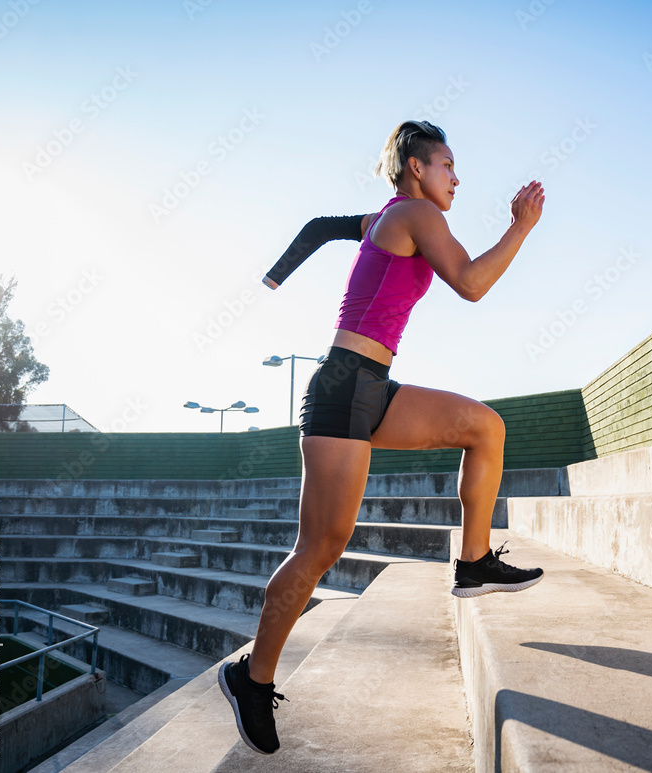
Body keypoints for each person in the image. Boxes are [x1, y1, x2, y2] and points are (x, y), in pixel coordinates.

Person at [218, 120, 545, 755]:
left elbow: (320, 227)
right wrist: (522, 225)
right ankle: (251, 678)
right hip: (344, 386)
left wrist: (276, 275)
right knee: (321, 546)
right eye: (448, 164)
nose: (457, 177)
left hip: (373, 385)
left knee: (486, 427)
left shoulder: (385, 216)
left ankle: (474, 562)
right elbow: (472, 284)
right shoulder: (418, 213)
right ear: (418, 168)